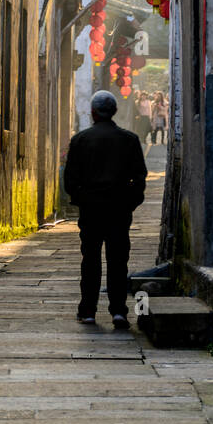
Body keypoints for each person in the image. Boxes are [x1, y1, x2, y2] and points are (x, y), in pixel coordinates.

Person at [63, 90, 148, 329]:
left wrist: (81, 199)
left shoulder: (81, 140)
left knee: (90, 259)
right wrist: (132, 201)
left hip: (91, 209)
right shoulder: (129, 140)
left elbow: (70, 180)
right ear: (115, 112)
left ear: (92, 112)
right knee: (118, 260)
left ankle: (88, 310)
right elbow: (140, 177)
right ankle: (119, 311)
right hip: (120, 209)